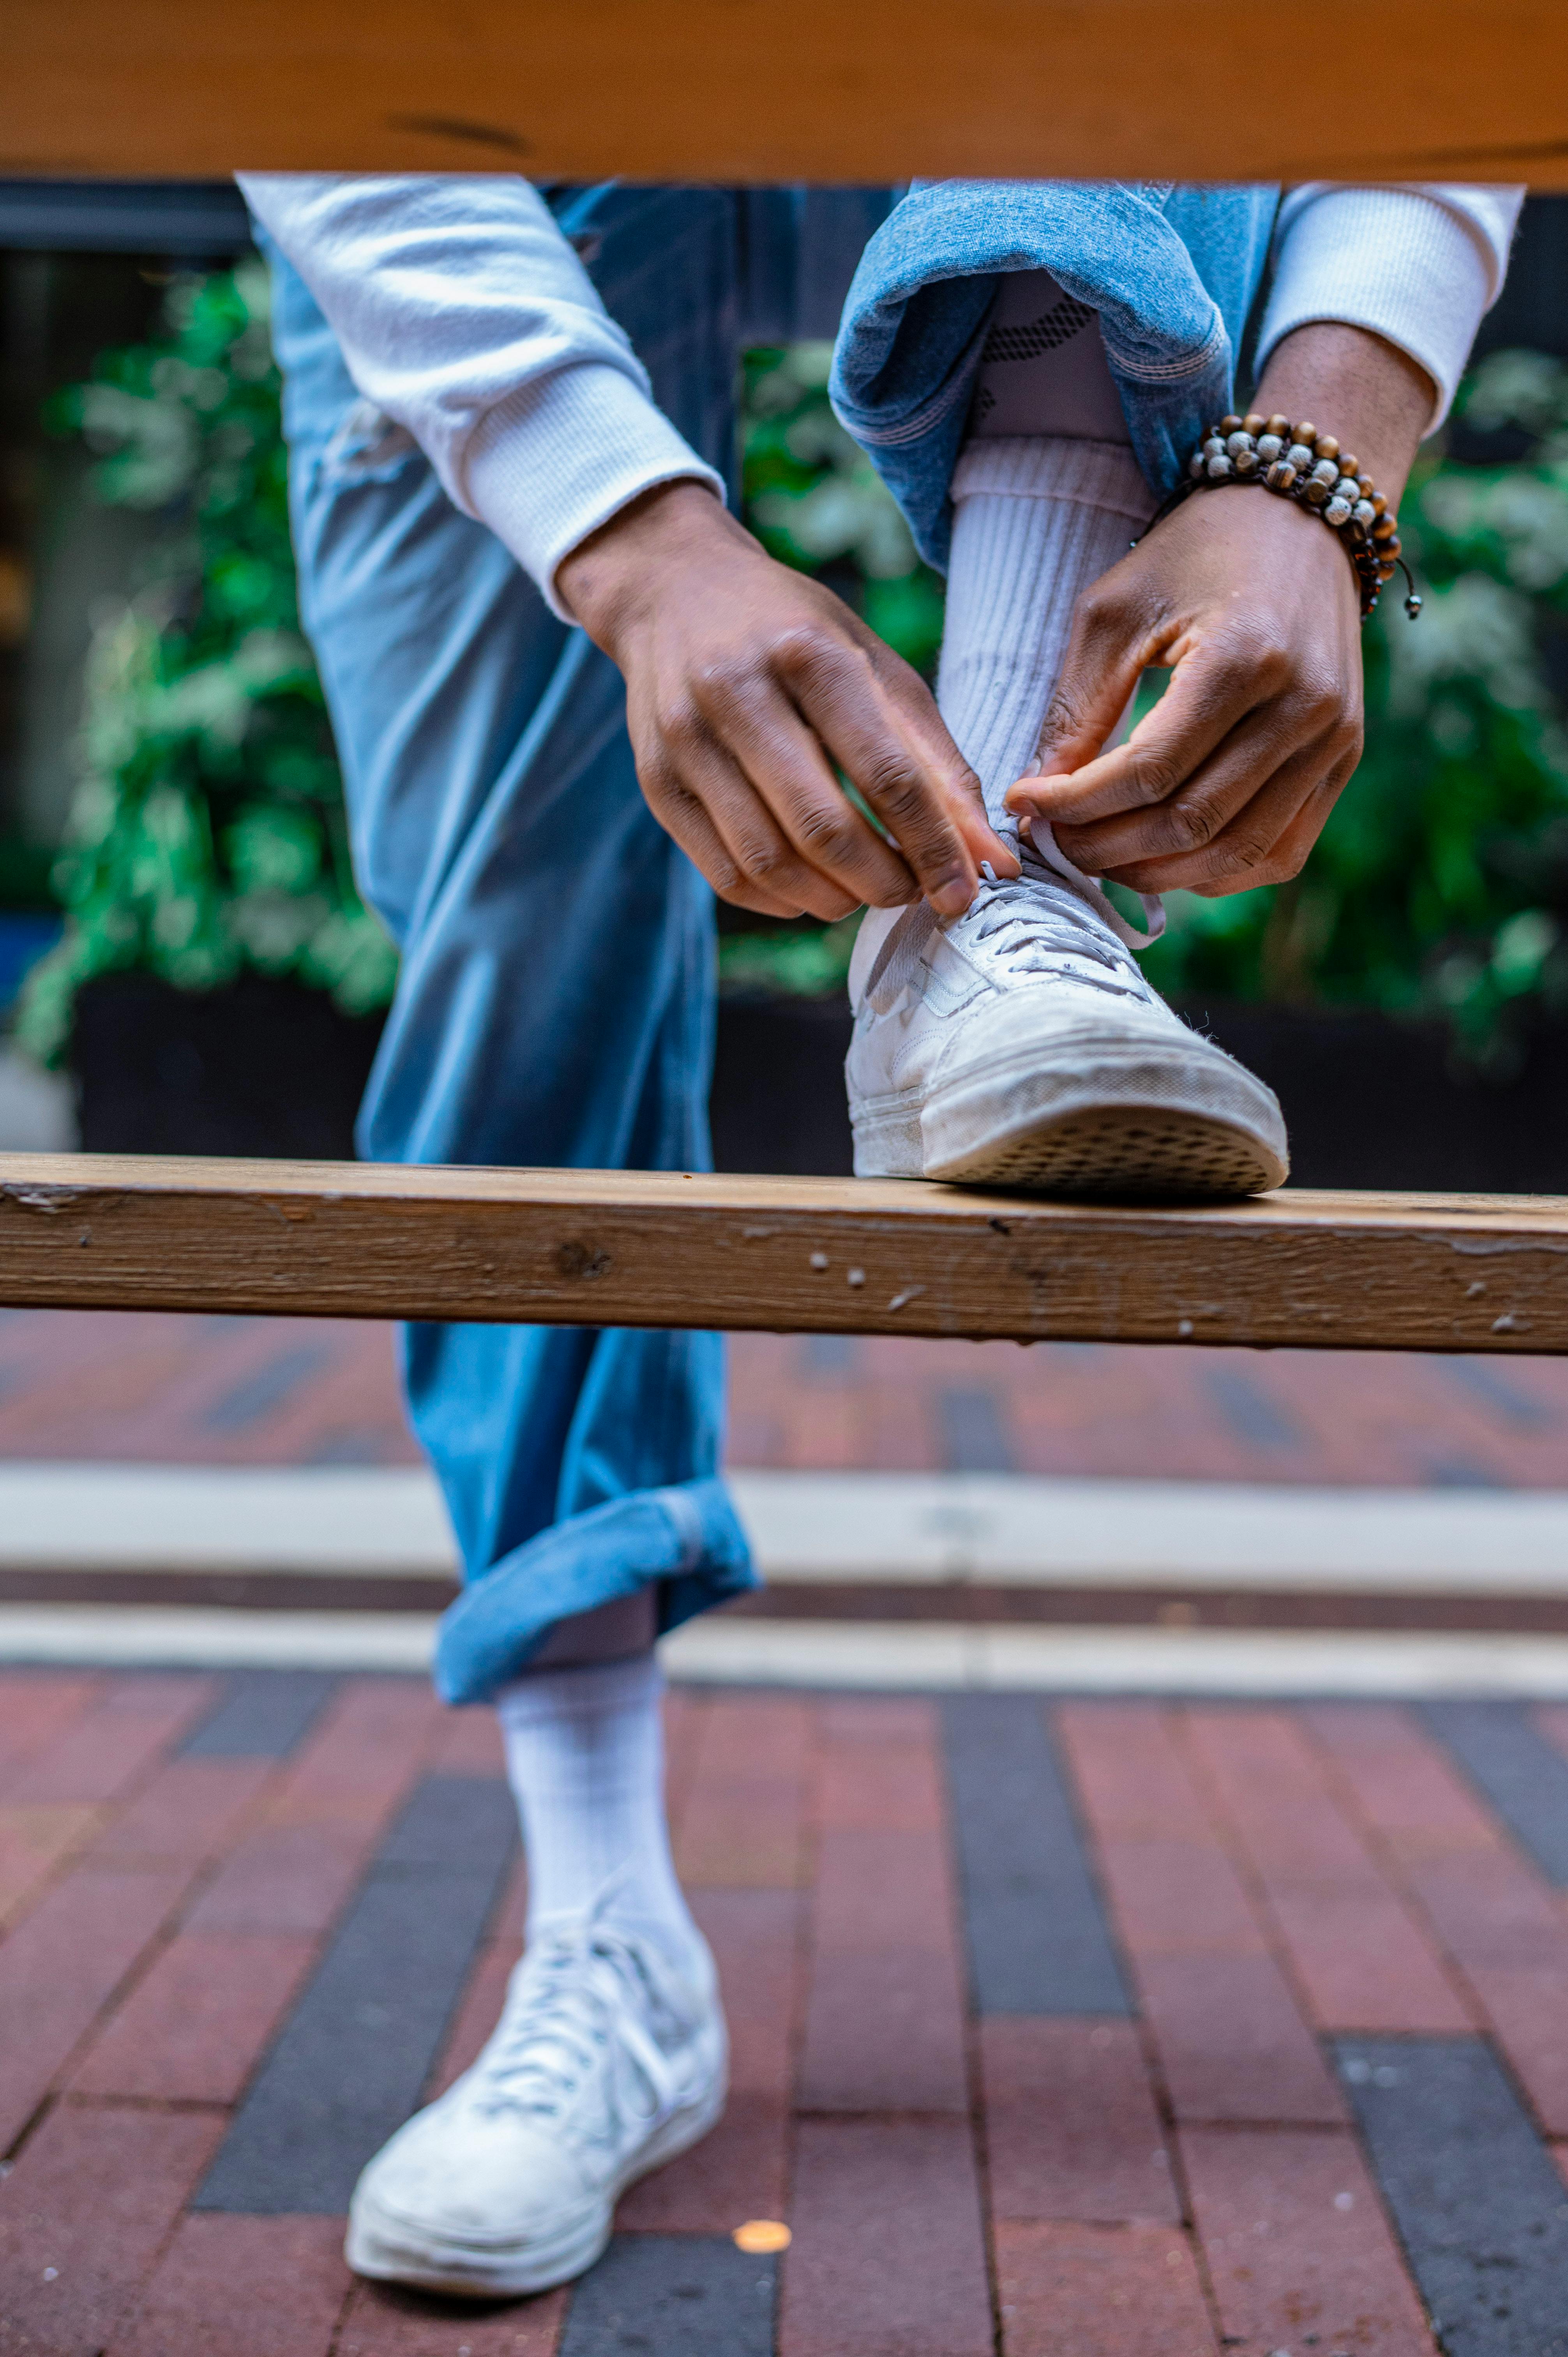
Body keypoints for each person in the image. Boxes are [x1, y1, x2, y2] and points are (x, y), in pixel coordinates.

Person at [237, 171, 1519, 2299]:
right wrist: (634, 552)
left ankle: (993, 910)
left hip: (1064, 109)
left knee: (1121, 36)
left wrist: (1315, 467)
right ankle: (607, 1938)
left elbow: (1431, 51)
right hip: (474, 112)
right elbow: (298, 75)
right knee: (505, 929)